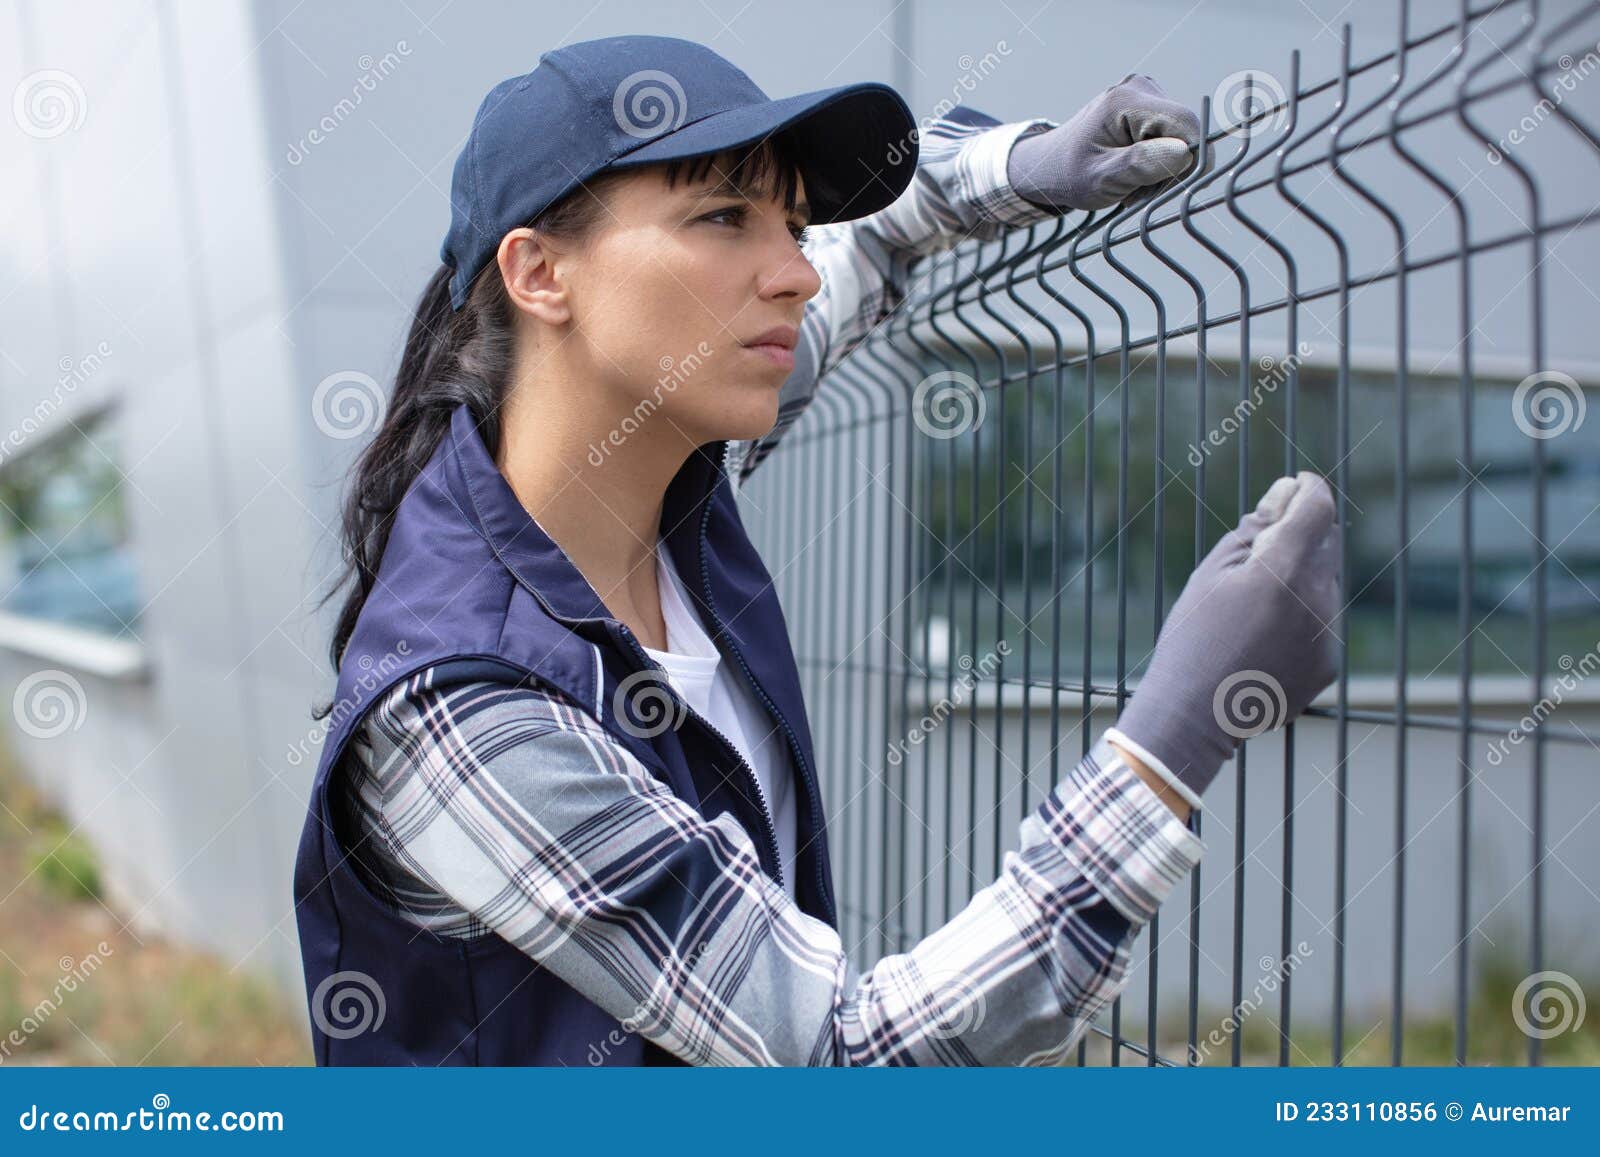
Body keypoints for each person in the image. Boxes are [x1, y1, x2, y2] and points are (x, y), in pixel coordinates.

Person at [291, 33, 1341, 1066]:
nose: (791, 271)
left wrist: (1022, 163)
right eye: (722, 217)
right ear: (539, 272)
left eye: (790, 222)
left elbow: (870, 244)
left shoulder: (670, 477)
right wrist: (1167, 745)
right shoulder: (463, 707)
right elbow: (841, 1058)